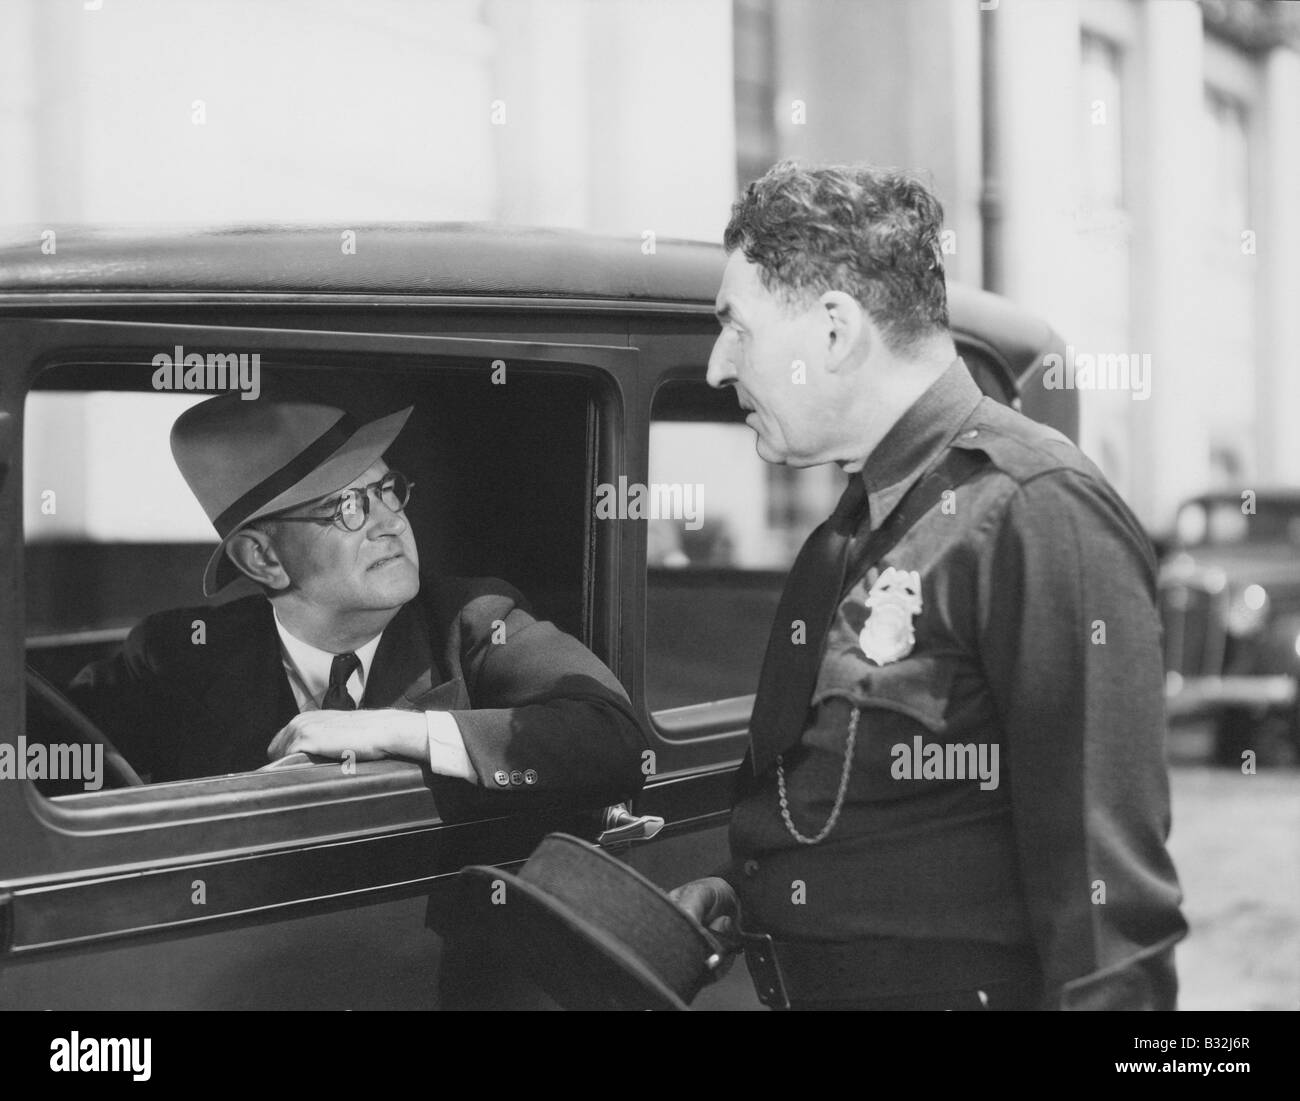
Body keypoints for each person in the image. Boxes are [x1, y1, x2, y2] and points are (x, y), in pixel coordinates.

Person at [670, 161, 1187, 1011]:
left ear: (835, 331)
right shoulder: (851, 527)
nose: (721, 366)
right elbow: (885, 813)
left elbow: (1109, 919)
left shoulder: (1033, 511)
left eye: (737, 327)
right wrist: (749, 895)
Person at [68, 393, 647, 804]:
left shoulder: (474, 622)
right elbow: (47, 752)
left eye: (387, 491)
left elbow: (615, 741)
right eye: (347, 507)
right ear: (262, 559)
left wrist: (396, 732)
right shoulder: (179, 655)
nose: (390, 523)